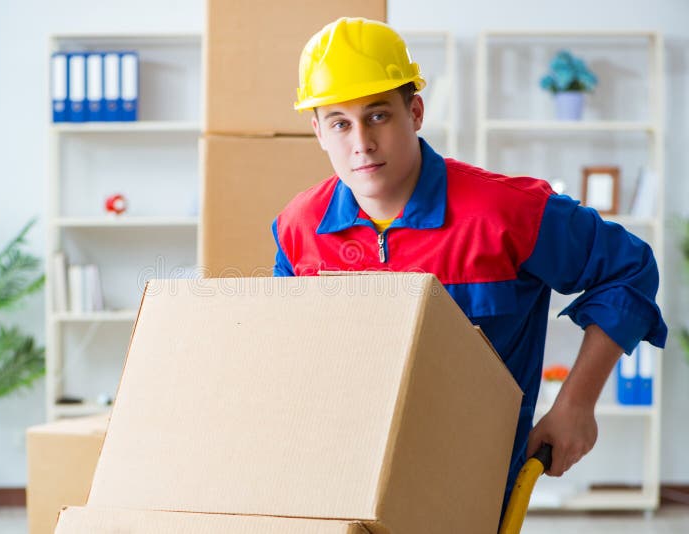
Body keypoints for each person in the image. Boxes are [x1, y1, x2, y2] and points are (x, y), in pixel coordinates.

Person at [271, 17, 667, 512]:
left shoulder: (505, 211)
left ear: (414, 111)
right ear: (317, 131)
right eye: (339, 123)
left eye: (377, 116)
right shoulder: (297, 228)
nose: (361, 143)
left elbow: (628, 268)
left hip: (470, 488)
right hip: (341, 482)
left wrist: (574, 404)